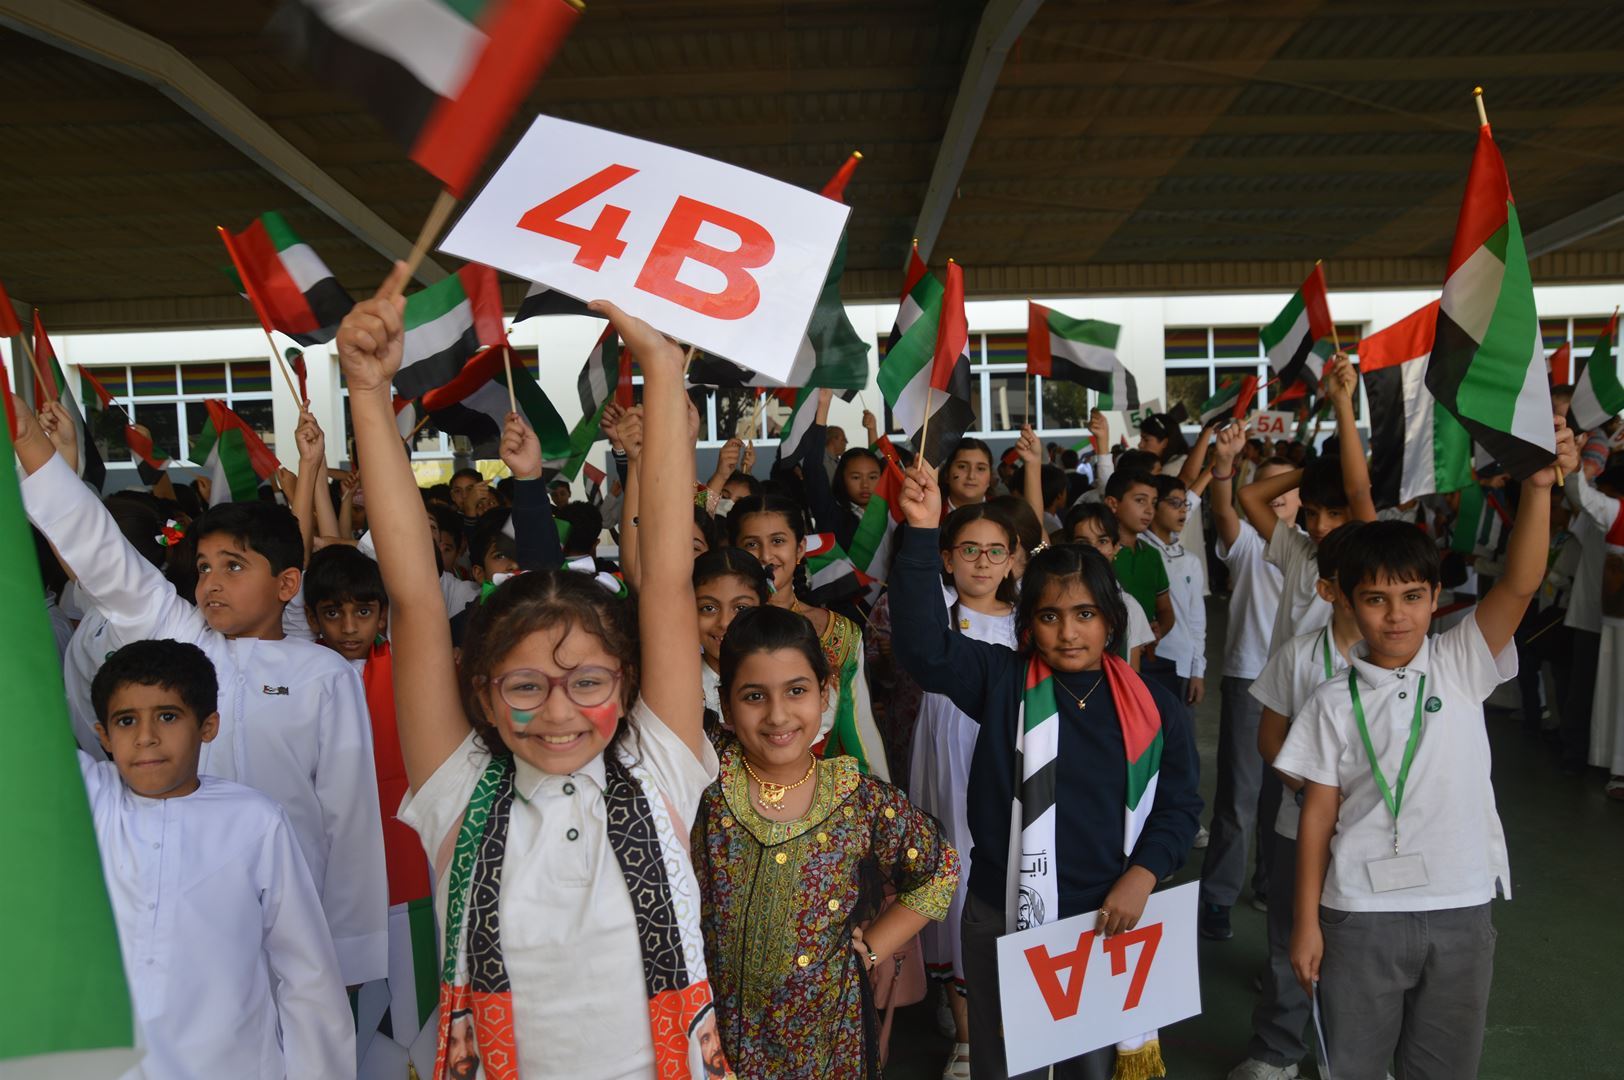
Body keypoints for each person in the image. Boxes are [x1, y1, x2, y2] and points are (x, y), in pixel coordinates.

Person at [342, 270, 727, 1078]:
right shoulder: (457, 789)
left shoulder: (661, 764)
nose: (558, 713)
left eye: (587, 682)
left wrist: (663, 371)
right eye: (525, 686)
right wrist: (369, 394)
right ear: (482, 694)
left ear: (627, 682)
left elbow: (666, 577)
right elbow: (414, 600)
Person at [13, 402, 389, 989]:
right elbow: (103, 556)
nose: (211, 581)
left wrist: (350, 951)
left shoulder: (323, 674)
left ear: (287, 584)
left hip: (295, 920)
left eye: (234, 567)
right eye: (205, 567)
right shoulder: (182, 636)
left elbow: (350, 821)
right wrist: (30, 445)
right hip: (186, 907)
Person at [1280, 419, 1576, 1080]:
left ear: (1436, 598)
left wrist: (1538, 487)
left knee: (1445, 1067)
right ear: (1346, 602)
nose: (1397, 615)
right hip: (1358, 912)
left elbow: (1520, 584)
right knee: (1353, 1065)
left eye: (1413, 597)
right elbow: (1317, 817)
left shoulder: (1459, 663)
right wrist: (1306, 923)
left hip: (1461, 904)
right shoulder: (1331, 700)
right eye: (1376, 599)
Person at [890, 459, 1201, 1080]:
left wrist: (1142, 875)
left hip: (1110, 914)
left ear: (1111, 619)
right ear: (1028, 624)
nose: (1068, 632)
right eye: (1050, 616)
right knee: (1009, 1067)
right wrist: (922, 531)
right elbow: (924, 646)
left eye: (1085, 614)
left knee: (1093, 1066)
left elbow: (1179, 805)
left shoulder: (1153, 706)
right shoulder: (1003, 680)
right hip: (1003, 910)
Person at [693, 604, 958, 1078]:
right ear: (726, 705)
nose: (778, 715)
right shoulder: (705, 780)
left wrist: (874, 947)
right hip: (721, 1043)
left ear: (826, 693)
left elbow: (940, 869)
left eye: (796, 691)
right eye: (754, 696)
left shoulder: (858, 798)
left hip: (829, 1042)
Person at [81, 639, 353, 1078]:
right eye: (126, 721)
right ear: (104, 736)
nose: (146, 737)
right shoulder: (90, 799)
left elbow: (306, 971)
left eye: (167, 716)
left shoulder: (255, 820)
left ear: (208, 726)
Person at [1225, 523, 1364, 1080]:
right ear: (1328, 590)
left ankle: (1349, 1056)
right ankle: (1276, 1050)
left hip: (1369, 831)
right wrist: (1309, 791)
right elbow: (1269, 739)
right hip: (1297, 824)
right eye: (1362, 585)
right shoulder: (1299, 655)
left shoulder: (1402, 660)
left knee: (1358, 946)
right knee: (1289, 939)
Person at [910, 504, 1021, 1076]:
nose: (982, 562)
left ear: (1013, 560)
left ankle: (1015, 1015)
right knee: (954, 875)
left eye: (995, 551)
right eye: (969, 550)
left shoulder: (1029, 624)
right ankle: (968, 1033)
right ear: (947, 559)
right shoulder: (937, 618)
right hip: (946, 760)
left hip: (1008, 761)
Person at [1198, 426, 1295, 940]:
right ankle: (1218, 896)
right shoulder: (1248, 546)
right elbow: (1222, 512)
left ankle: (1270, 884)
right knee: (1239, 796)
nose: (1277, 498)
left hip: (1303, 690)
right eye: (1266, 488)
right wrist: (1224, 466)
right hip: (1250, 680)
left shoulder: (1315, 552)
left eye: (1287, 489)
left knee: (1286, 799)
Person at [729, 492, 889, 779]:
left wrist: (875, 795)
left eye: (778, 541)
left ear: (800, 548)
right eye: (751, 544)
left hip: (820, 791)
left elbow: (858, 730)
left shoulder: (837, 632)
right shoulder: (719, 630)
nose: (765, 555)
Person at [1238, 354, 1376, 655]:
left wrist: (1342, 402)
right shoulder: (1297, 550)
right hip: (1285, 682)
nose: (1320, 525)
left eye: (1334, 513)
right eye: (1311, 513)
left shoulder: (1366, 554)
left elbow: (1357, 492)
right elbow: (1249, 496)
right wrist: (1313, 470)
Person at [1060, 501, 1156, 669]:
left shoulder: (1129, 606)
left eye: (1102, 541)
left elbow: (1132, 673)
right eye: (1082, 543)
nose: (1094, 550)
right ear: (1067, 547)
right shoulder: (1056, 599)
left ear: (1116, 547)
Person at [1140, 473, 1206, 708]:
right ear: (1154, 507)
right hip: (1148, 660)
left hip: (1183, 664)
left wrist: (1197, 670)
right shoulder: (1140, 550)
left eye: (1185, 504)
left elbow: (1196, 621)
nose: (1183, 511)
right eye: (1174, 503)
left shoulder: (1190, 561)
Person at [693, 546, 772, 736]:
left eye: (741, 608)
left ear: (764, 607)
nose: (725, 622)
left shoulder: (783, 674)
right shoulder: (680, 685)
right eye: (708, 608)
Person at [1105, 467, 1176, 659]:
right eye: (1140, 500)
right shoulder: (1102, 554)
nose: (1149, 510)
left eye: (1153, 502)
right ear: (1113, 503)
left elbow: (1165, 610)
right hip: (1109, 658)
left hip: (1145, 659)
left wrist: (1156, 631)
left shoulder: (1152, 555)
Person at [943, 437, 995, 513]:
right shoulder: (928, 512)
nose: (971, 476)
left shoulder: (1005, 514)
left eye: (980, 469)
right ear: (947, 474)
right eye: (962, 466)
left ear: (990, 477)